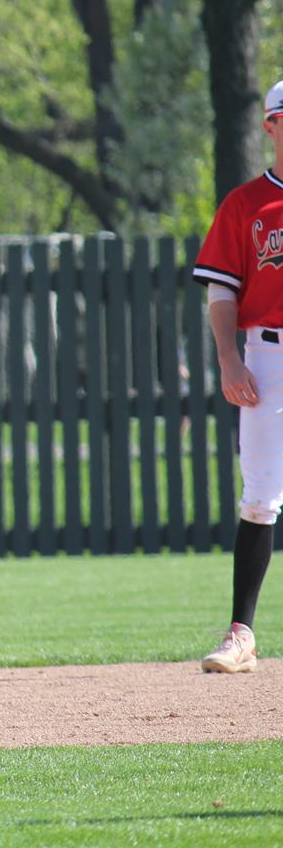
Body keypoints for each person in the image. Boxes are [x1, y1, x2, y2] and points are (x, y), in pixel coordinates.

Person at [192, 77, 283, 673]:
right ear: (271, 125)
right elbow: (222, 292)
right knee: (259, 497)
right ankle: (241, 634)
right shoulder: (246, 204)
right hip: (269, 355)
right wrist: (228, 358)